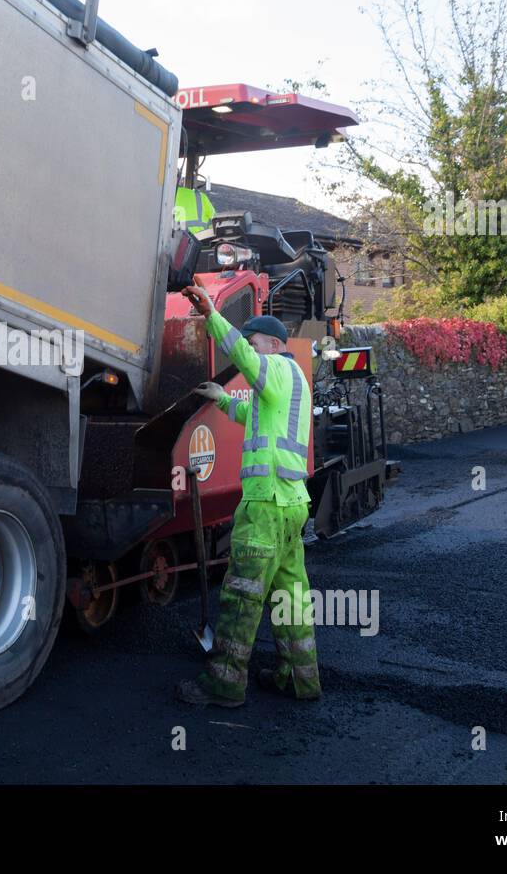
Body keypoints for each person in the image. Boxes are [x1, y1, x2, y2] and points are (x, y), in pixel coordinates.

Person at [175, 285, 320, 707]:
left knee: (242, 595)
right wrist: (222, 399)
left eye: (256, 344)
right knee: (290, 598)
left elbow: (242, 356)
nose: (252, 352)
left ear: (274, 345)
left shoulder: (274, 367)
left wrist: (211, 316)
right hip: (293, 506)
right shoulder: (291, 382)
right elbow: (251, 413)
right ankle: (301, 680)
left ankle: (224, 682)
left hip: (265, 507)